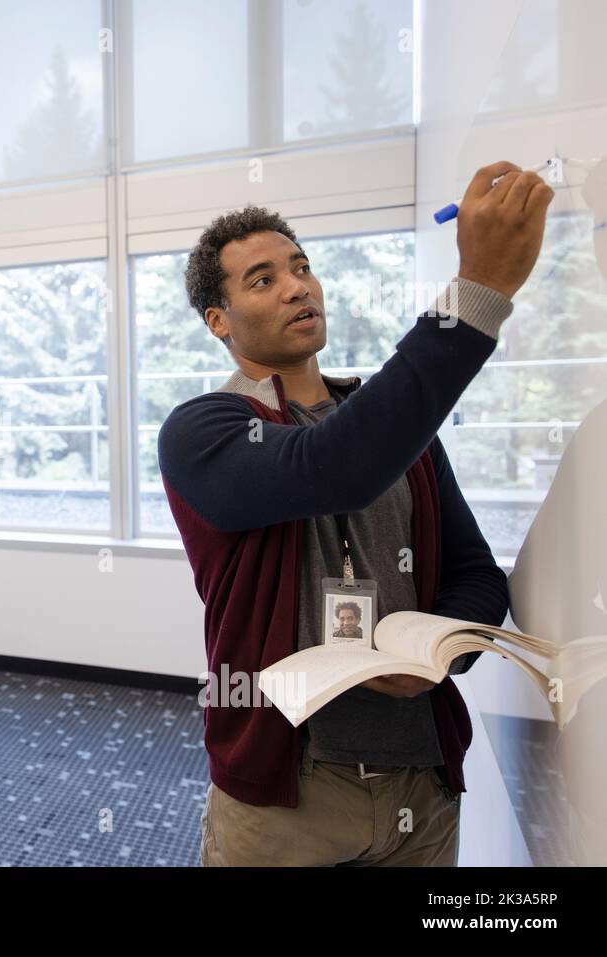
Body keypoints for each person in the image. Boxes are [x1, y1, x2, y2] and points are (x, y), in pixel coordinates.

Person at [159, 161, 554, 866]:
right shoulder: (203, 430)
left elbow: (477, 575)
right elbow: (334, 465)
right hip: (285, 795)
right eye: (263, 279)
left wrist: (436, 652)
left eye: (301, 266)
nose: (297, 285)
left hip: (420, 783)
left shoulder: (401, 432)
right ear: (218, 322)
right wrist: (477, 295)